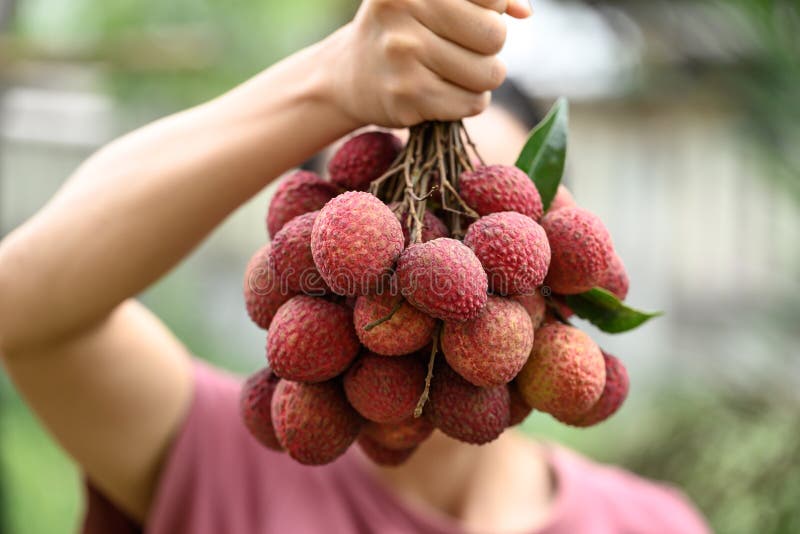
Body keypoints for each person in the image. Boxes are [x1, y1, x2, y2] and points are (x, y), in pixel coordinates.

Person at [0, 1, 710, 532]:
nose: (437, 229)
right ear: (314, 256)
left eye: (467, 215)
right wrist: (329, 85)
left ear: (555, 278)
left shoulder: (652, 523)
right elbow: (19, 302)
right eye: (400, 205)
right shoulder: (220, 452)